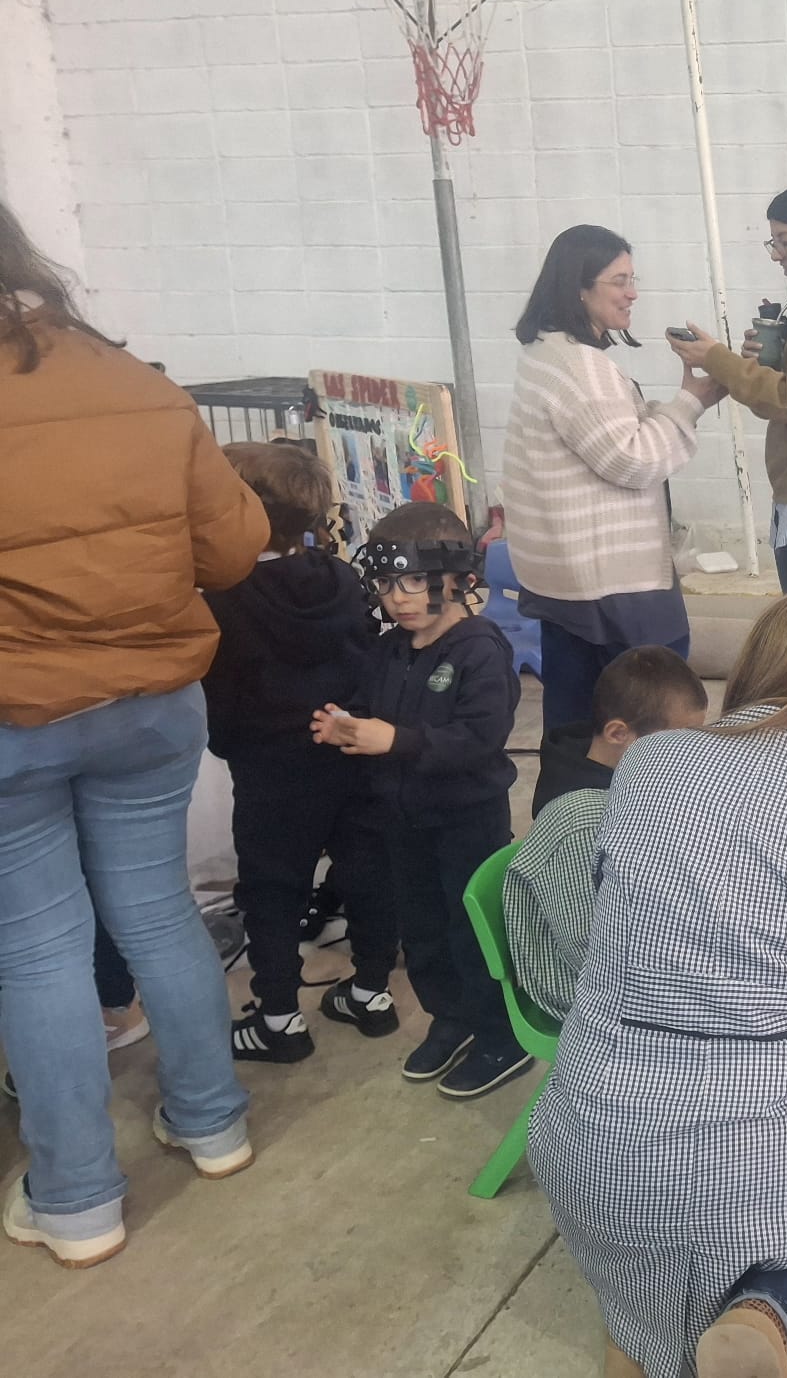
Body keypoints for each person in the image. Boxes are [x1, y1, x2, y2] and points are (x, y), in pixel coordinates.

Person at [528, 593, 787, 1378]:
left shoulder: (648, 761)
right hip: (757, 1164)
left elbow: (615, 907)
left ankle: (641, 1343)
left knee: (637, 1299)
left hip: (585, 1135)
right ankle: (768, 1320)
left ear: (753, 667)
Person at [0, 199, 268, 1268]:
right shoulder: (133, 382)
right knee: (157, 911)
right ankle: (212, 1124)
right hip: (153, 705)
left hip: (15, 720)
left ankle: (76, 1201)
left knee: (39, 950)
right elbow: (236, 548)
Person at [310, 502, 528, 1102]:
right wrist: (346, 726)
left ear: (459, 579)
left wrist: (394, 740)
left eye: (414, 581)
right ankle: (449, 1018)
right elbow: (368, 710)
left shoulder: (479, 649)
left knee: (470, 930)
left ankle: (499, 1034)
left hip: (466, 820)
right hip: (401, 820)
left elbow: (479, 737)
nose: (399, 598)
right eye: (386, 584)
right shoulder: (389, 650)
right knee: (423, 929)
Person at [200, 442, 396, 1064]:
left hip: (271, 766)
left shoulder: (223, 597)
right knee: (367, 871)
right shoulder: (340, 576)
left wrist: (231, 744)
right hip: (350, 749)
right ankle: (371, 992)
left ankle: (279, 1018)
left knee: (272, 888)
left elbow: (220, 695)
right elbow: (367, 656)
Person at [502, 224, 724, 730]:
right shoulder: (582, 366)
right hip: (612, 585)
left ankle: (571, 808)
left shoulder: (547, 353)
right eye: (619, 281)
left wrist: (687, 401)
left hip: (569, 579)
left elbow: (610, 436)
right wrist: (691, 401)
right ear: (578, 287)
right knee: (654, 720)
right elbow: (631, 460)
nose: (633, 293)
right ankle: (643, 809)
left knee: (577, 723)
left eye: (633, 278)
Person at [504, 645, 708, 1022]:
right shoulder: (579, 822)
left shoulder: (631, 777)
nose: (690, 756)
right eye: (678, 744)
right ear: (619, 733)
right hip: (583, 990)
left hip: (643, 946)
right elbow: (593, 955)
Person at [669, 181, 787, 597]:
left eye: (785, 241)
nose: (778, 256)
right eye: (773, 243)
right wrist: (766, 360)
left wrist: (716, 359)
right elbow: (780, 398)